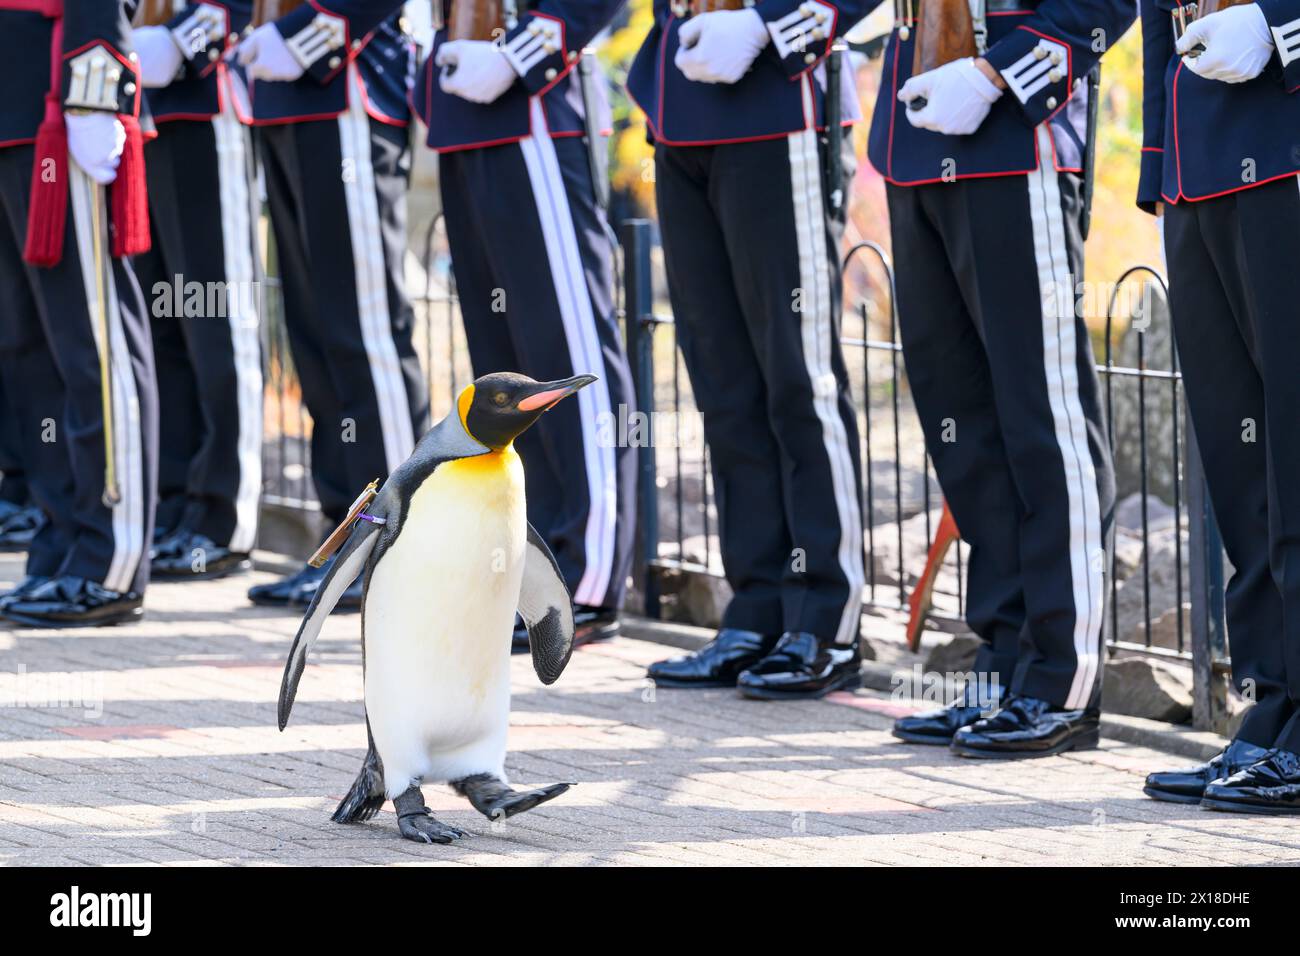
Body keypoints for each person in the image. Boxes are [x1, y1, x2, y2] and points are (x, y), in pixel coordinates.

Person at [240, 0, 638, 645]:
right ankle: (531, 571)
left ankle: (583, 582)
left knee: (561, 352)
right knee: (505, 363)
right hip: (460, 105)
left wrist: (523, 51)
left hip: (536, 102)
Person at [875, 0, 1130, 757]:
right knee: (965, 427)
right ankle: (1003, 659)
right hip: (917, 129)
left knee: (1042, 417)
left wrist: (999, 74)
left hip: (1017, 131)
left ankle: (1062, 679)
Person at [634, 0, 870, 700]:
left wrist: (771, 23)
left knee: (800, 380)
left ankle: (826, 618)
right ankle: (757, 608)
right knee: (725, 386)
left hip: (778, 101)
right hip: (684, 96)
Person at [1138, 0, 1300, 813]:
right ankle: (1273, 709)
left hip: (1287, 139)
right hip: (1198, 156)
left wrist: (1281, 25)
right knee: (1244, 472)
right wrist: (1159, 161)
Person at [233, 1, 431, 609]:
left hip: (347, 79)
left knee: (363, 330)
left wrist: (303, 33)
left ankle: (395, 542)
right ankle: (345, 536)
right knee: (316, 339)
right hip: (283, 90)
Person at [0, 0, 158, 628]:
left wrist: (95, 92)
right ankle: (63, 541)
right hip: (11, 105)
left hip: (56, 98)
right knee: (27, 348)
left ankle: (108, 559)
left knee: (94, 342)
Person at [130, 1, 264, 582]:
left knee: (217, 321)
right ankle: (177, 502)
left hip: (205, 98)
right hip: (146, 108)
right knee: (164, 325)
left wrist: (186, 40)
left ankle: (222, 518)